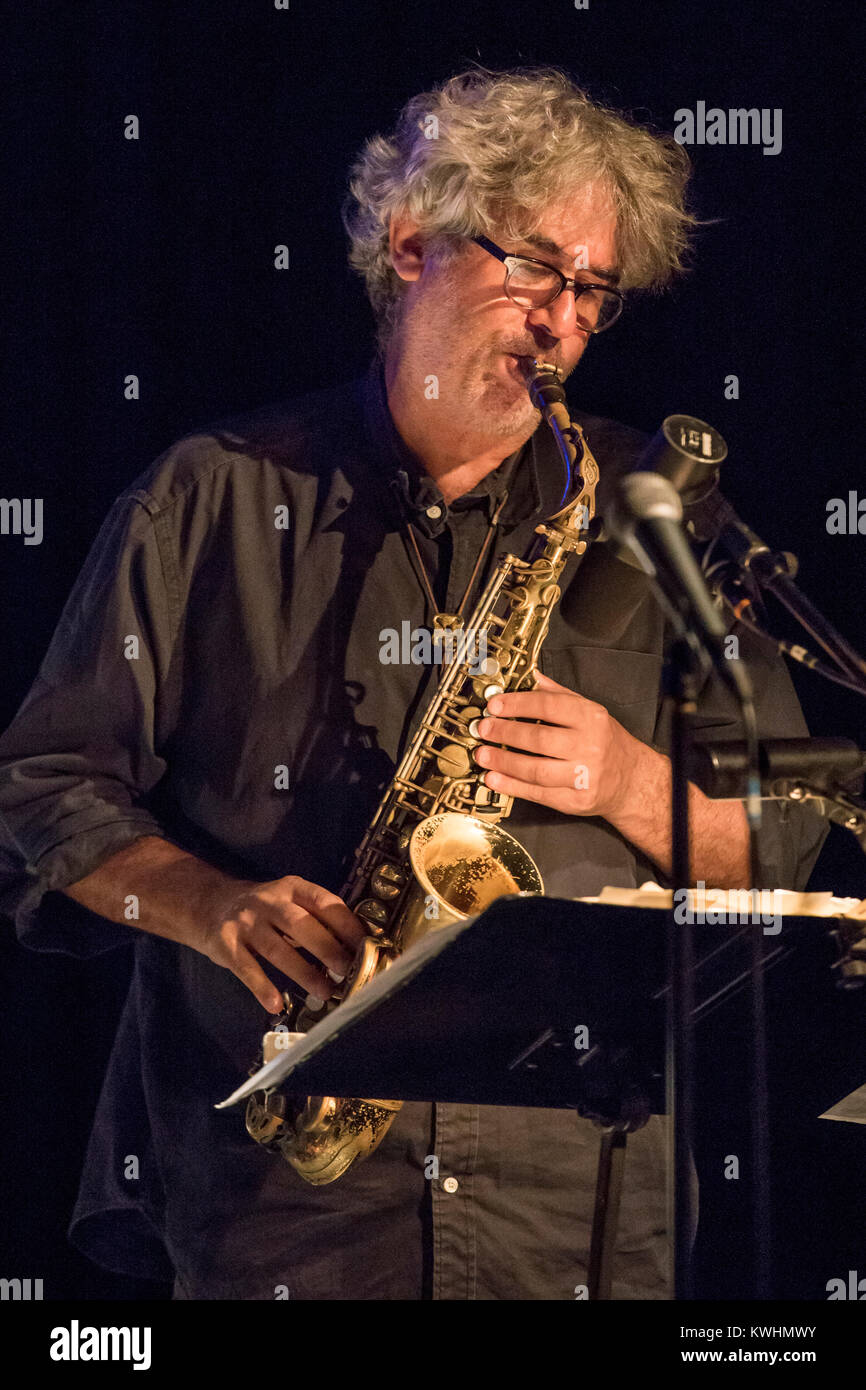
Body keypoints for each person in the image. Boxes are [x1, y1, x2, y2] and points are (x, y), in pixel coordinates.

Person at [0, 67, 825, 1300]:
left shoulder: (659, 523)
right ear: (409, 243)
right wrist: (209, 905)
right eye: (534, 267)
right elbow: (43, 793)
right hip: (282, 1208)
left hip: (578, 1212)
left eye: (592, 292)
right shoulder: (208, 497)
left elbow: (789, 847)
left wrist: (629, 781)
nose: (563, 323)